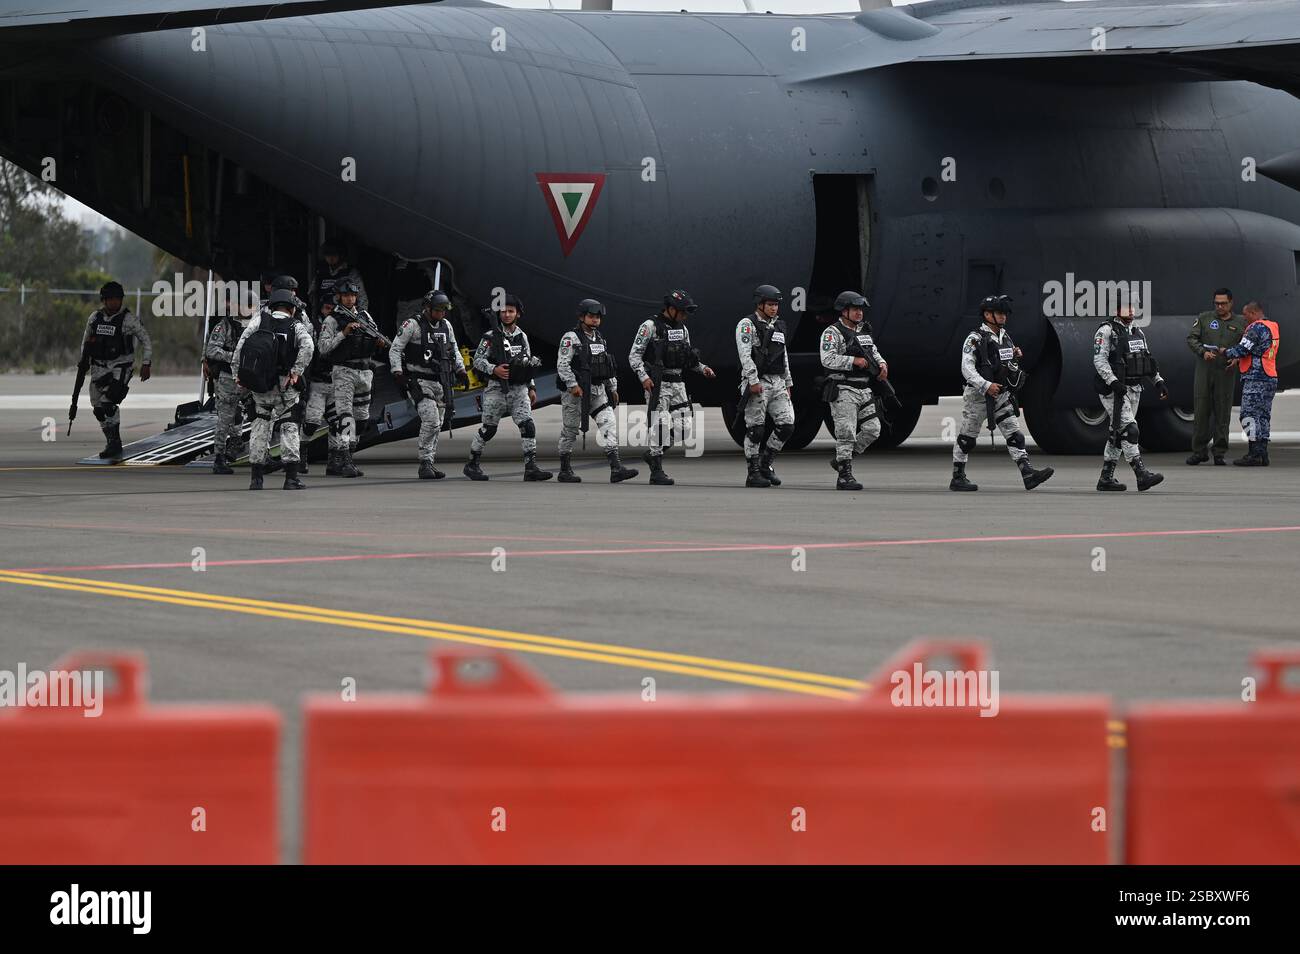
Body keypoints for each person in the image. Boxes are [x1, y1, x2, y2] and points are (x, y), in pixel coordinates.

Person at [948, 295, 1053, 491]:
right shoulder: (975, 338)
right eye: (999, 313)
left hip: (1001, 394)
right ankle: (958, 476)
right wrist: (985, 385)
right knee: (967, 438)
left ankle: (1028, 473)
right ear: (987, 315)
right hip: (978, 396)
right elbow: (967, 368)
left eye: (1004, 313)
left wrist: (1015, 357)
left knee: (1014, 433)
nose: (1003, 316)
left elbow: (1006, 365)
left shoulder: (1005, 337)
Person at [628, 289, 716, 486]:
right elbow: (634, 355)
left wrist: (703, 369)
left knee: (684, 428)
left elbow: (687, 359)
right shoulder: (650, 326)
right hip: (658, 383)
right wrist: (643, 378)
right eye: (682, 311)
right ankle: (656, 470)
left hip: (678, 383)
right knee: (661, 425)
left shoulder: (683, 330)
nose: (685, 315)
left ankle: (652, 454)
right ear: (670, 309)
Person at [232, 288, 314, 490]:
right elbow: (309, 346)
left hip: (260, 385)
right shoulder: (296, 326)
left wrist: (238, 375)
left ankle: (256, 479)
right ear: (292, 308)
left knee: (259, 428)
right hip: (285, 387)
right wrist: (296, 371)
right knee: (289, 428)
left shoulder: (259, 321)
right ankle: (291, 478)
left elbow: (240, 347)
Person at [464, 293, 551, 481]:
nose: (507, 315)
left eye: (511, 311)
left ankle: (531, 467)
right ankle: (472, 464)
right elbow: (477, 360)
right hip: (496, 388)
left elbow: (527, 361)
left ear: (518, 314)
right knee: (489, 429)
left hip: (519, 389)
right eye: (503, 311)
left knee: (527, 425)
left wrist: (532, 387)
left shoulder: (522, 337)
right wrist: (494, 369)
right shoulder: (490, 336)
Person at [555, 299, 638, 484]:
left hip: (598, 390)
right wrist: (573, 385)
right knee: (570, 430)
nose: (595, 320)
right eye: (591, 316)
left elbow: (606, 366)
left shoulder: (599, 338)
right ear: (582, 317)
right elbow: (562, 365)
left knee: (609, 424)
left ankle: (616, 468)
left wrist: (613, 388)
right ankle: (564, 470)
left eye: (597, 317)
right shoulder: (571, 338)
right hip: (576, 392)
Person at [1093, 295, 1170, 492]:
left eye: (1132, 309)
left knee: (1117, 433)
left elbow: (1146, 360)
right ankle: (1141, 474)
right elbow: (1099, 361)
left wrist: (1158, 381)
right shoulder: (1106, 331)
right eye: (1126, 309)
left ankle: (1105, 478)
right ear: (1117, 310)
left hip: (1135, 389)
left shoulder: (1138, 333)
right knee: (1130, 430)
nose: (1130, 313)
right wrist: (1114, 382)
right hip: (1114, 391)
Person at [390, 290, 469, 479]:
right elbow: (395, 349)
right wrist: (398, 373)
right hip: (419, 380)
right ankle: (424, 463)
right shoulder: (412, 325)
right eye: (438, 309)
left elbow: (454, 349)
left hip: (440, 381)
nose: (442, 313)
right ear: (427, 308)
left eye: (444, 309)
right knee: (431, 420)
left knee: (438, 423)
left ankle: (430, 462)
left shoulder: (446, 325)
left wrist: (461, 370)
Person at [316, 277, 388, 478]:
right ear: (338, 297)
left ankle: (343, 457)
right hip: (344, 371)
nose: (350, 299)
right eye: (346, 295)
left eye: (353, 295)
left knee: (362, 419)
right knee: (345, 417)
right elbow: (323, 348)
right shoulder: (332, 320)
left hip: (365, 371)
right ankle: (345, 460)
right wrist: (343, 333)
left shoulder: (364, 316)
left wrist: (380, 344)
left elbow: (376, 335)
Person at [818, 291, 888, 491]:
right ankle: (844, 475)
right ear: (844, 311)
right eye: (855, 309)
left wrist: (882, 364)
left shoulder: (863, 331)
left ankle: (842, 460)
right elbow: (827, 359)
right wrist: (853, 361)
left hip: (864, 389)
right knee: (846, 432)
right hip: (843, 389)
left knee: (873, 429)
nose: (860, 313)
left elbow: (873, 352)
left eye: (861, 310)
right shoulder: (832, 333)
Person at [77, 281, 152, 459]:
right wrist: (83, 362)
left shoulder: (128, 320)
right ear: (104, 300)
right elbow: (85, 342)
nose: (113, 302)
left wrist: (146, 363)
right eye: (110, 299)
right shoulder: (95, 318)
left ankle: (114, 443)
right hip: (98, 368)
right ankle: (111, 439)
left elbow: (146, 340)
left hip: (120, 368)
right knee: (98, 408)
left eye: (117, 299)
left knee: (109, 404)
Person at [735, 285, 795, 488]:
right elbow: (744, 354)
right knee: (756, 429)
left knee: (787, 424)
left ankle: (765, 463)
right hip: (758, 382)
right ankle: (752, 472)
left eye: (776, 305)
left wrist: (788, 382)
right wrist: (752, 380)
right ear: (760, 304)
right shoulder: (747, 324)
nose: (774, 308)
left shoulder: (778, 326)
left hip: (777, 381)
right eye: (770, 304)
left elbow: (783, 355)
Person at [1185, 287, 1242, 465]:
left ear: (1231, 303)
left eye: (1223, 303)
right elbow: (1192, 338)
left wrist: (1237, 359)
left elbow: (1246, 345)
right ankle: (1199, 451)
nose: (1219, 307)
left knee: (1223, 411)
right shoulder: (1204, 318)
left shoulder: (1241, 323)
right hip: (1205, 369)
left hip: (1225, 372)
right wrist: (1202, 352)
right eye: (1217, 303)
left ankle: (1219, 452)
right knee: (1201, 410)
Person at [1223, 301, 1280, 466]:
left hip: (1256, 377)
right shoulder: (1272, 326)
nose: (1244, 318)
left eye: (1246, 314)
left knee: (1248, 414)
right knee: (1263, 416)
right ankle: (1262, 453)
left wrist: (1225, 352)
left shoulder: (1256, 328)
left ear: (1254, 313)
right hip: (1270, 376)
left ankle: (1254, 454)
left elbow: (1242, 349)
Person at [203, 299, 250, 474]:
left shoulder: (255, 324)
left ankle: (244, 446)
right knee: (225, 418)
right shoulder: (224, 325)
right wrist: (234, 357)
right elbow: (211, 350)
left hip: (248, 379)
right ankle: (219, 457)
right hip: (228, 378)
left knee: (256, 414)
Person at [316, 240, 368, 312]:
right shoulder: (321, 273)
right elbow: (314, 297)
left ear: (341, 255)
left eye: (334, 254)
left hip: (344, 317)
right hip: (324, 315)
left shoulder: (351, 273)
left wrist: (360, 316)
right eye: (328, 254)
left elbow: (362, 298)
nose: (331, 258)